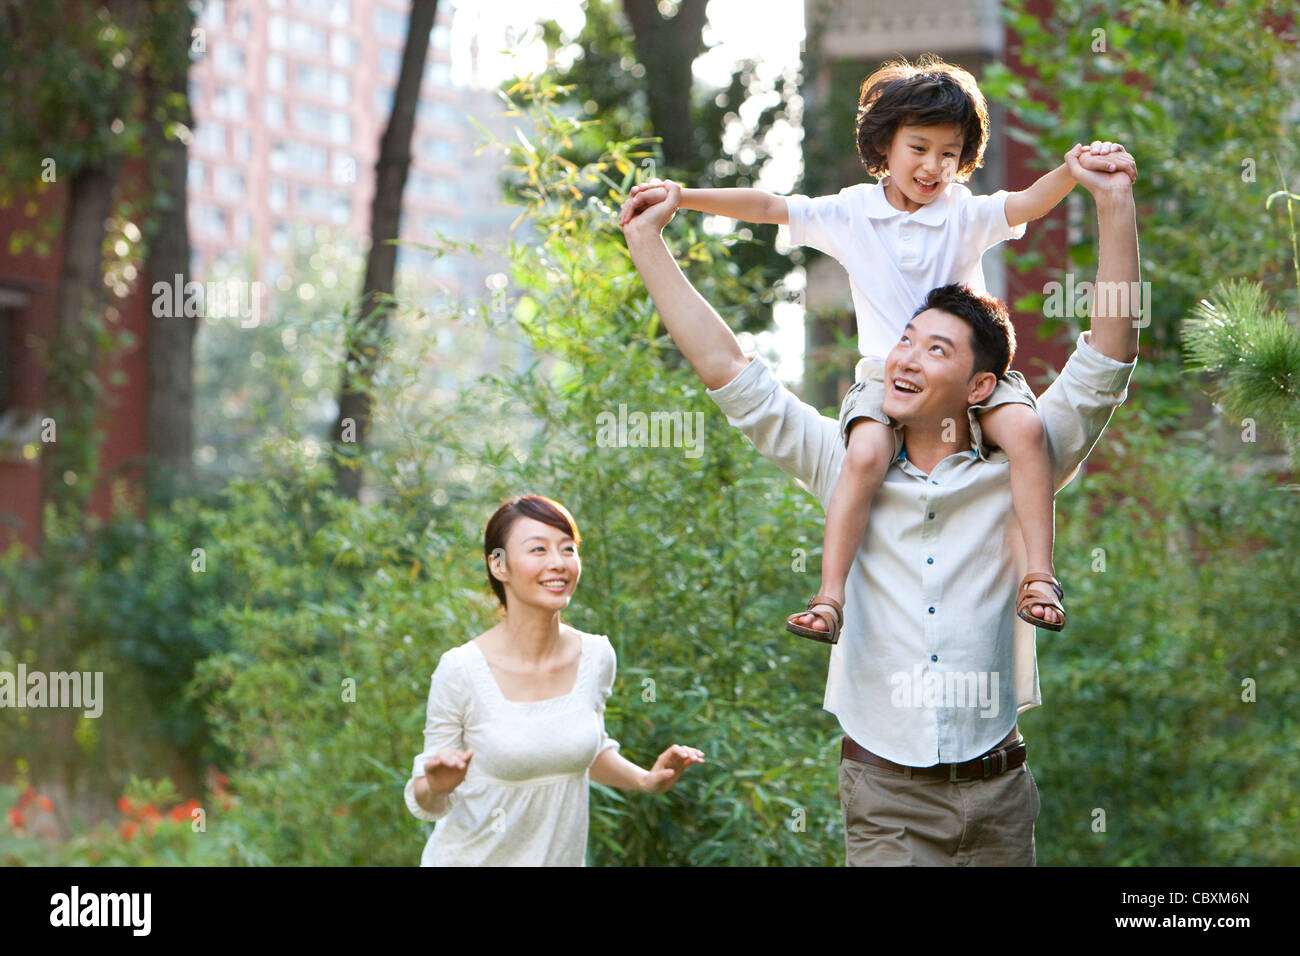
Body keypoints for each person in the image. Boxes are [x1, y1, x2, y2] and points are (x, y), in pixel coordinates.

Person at [618, 143, 1140, 865]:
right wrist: (647, 244)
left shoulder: (1026, 464)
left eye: (937, 352)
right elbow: (731, 371)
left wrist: (1114, 204)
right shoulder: (845, 465)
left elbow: (1108, 358)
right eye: (905, 341)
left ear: (980, 387)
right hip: (884, 798)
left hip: (999, 794)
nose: (904, 359)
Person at [621, 57, 1137, 642]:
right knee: (863, 455)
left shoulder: (963, 212)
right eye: (918, 147)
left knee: (1024, 434)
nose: (933, 166)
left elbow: (1028, 202)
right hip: (881, 382)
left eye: (949, 152)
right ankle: (830, 597)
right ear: (883, 146)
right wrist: (683, 196)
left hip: (978, 375)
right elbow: (768, 206)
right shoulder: (849, 213)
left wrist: (1076, 171)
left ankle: (1041, 577)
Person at [403, 494, 705, 866]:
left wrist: (647, 780)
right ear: (499, 565)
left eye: (567, 549)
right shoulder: (461, 669)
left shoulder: (596, 657)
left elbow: (580, 749)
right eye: (538, 550)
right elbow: (424, 796)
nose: (558, 563)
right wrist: (438, 786)